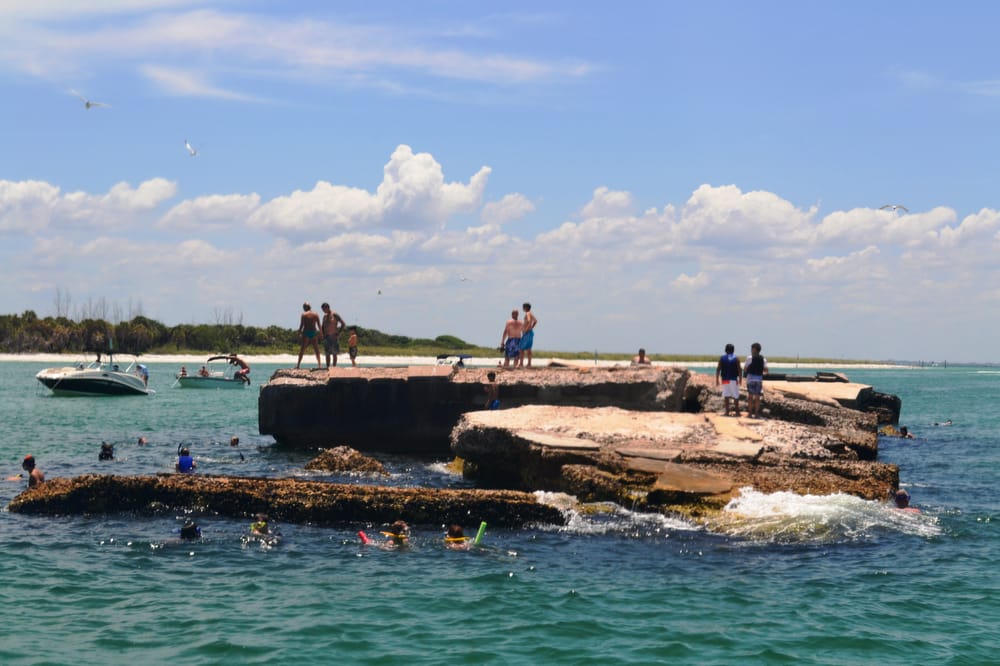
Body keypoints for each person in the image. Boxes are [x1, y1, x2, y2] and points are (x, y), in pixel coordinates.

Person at [715, 343, 743, 417]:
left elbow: (718, 369)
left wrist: (717, 379)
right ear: (733, 350)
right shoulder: (736, 358)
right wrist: (740, 379)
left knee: (726, 395)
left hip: (725, 379)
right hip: (733, 379)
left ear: (725, 350)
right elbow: (739, 370)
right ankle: (737, 412)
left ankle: (727, 412)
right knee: (735, 395)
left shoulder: (722, 358)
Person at [743, 342, 768, 419]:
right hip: (758, 379)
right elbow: (766, 370)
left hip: (750, 379)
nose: (751, 350)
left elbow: (745, 369)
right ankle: (756, 414)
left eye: (752, 349)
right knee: (757, 397)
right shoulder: (763, 359)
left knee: (750, 396)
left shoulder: (749, 358)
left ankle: (750, 413)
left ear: (754, 349)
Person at [296, 302, 322, 369]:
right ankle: (319, 365)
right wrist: (321, 333)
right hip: (313, 332)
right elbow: (319, 325)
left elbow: (301, 325)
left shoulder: (304, 314)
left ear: (305, 307)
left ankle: (298, 365)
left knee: (302, 349)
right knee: (316, 349)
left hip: (306, 332)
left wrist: (298, 333)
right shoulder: (315, 314)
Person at [321, 302, 347, 368]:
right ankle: (327, 367)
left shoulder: (335, 314)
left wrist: (338, 333)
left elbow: (343, 324)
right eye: (322, 310)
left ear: (327, 308)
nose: (323, 311)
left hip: (334, 336)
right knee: (327, 353)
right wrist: (323, 335)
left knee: (334, 353)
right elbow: (322, 326)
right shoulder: (324, 316)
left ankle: (334, 367)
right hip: (326, 337)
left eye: (324, 309)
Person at [517, 302, 538, 368]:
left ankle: (521, 363)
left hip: (527, 333)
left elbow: (529, 321)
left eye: (523, 307)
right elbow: (535, 321)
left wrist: (526, 329)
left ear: (525, 307)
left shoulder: (528, 313)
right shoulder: (530, 313)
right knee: (528, 349)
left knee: (521, 348)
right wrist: (531, 327)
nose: (522, 308)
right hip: (529, 332)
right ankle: (528, 364)